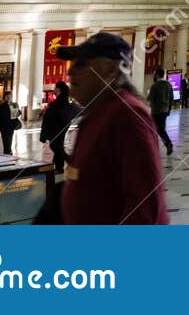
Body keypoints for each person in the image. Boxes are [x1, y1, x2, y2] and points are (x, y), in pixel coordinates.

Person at [57, 32, 168, 223]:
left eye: (81, 64)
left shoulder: (127, 116)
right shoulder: (95, 114)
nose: (70, 72)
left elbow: (145, 206)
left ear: (110, 70)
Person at [39, 81, 79, 172]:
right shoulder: (63, 101)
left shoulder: (58, 103)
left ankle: (67, 162)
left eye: (55, 87)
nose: (54, 89)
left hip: (56, 127)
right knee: (57, 145)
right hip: (61, 126)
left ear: (58, 89)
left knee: (55, 146)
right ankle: (58, 166)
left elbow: (50, 118)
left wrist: (44, 134)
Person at [147, 68, 175, 155]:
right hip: (165, 111)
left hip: (156, 111)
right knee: (158, 129)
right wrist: (169, 110)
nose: (154, 76)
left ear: (158, 75)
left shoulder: (155, 86)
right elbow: (171, 98)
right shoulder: (169, 85)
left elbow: (149, 99)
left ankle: (168, 143)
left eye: (155, 74)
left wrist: (148, 93)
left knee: (158, 129)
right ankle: (156, 146)